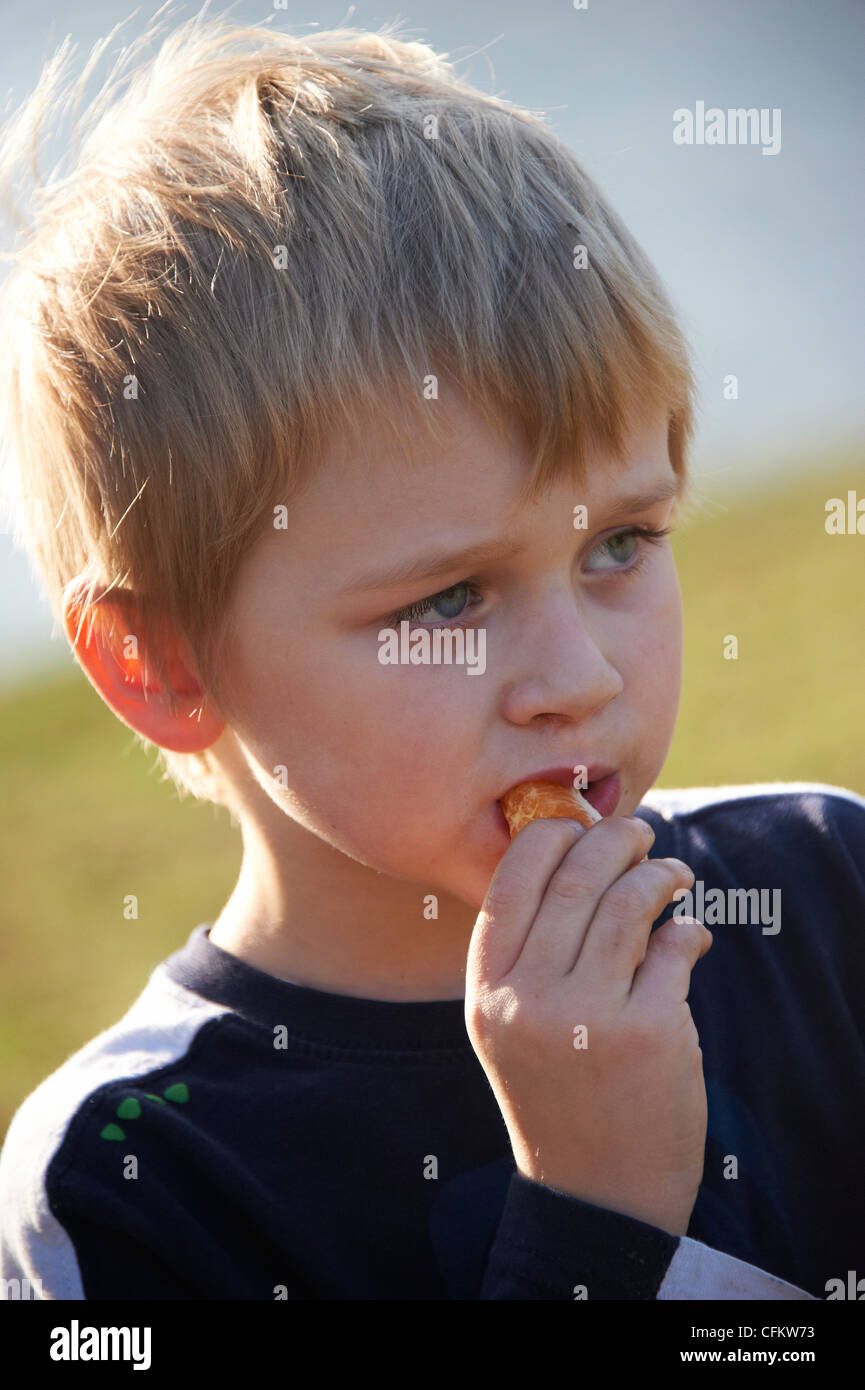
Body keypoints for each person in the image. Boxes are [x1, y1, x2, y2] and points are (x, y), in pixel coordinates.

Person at [1, 14, 861, 1300]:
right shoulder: (127, 1185)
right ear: (160, 664)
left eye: (620, 542)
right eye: (451, 597)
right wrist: (593, 1225)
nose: (580, 677)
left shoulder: (819, 895)